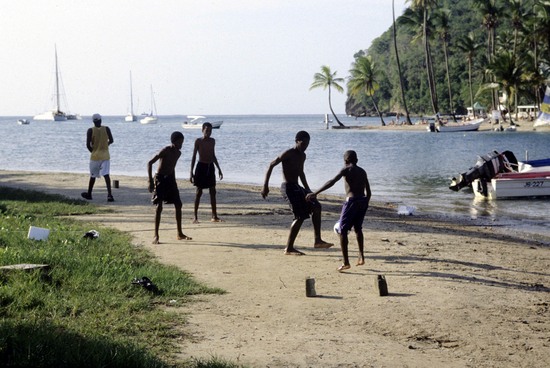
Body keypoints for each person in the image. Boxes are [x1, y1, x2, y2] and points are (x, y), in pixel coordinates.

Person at [261, 130, 333, 255]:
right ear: (297, 141)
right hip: (288, 188)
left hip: (297, 187)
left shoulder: (303, 156)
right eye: (303, 143)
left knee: (316, 206)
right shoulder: (288, 153)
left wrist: (309, 191)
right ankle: (289, 248)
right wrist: (265, 186)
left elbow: (301, 173)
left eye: (308, 144)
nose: (305, 146)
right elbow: (271, 165)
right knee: (299, 216)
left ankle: (318, 240)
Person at [306, 150, 371, 272]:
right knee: (358, 229)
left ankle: (346, 262)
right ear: (357, 160)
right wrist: (365, 202)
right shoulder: (363, 171)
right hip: (362, 201)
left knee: (343, 230)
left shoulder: (346, 169)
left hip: (351, 201)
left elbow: (332, 181)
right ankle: (361, 255)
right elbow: (369, 191)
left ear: (345, 161)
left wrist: (316, 193)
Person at [147, 131, 192, 244]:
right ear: (174, 141)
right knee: (159, 206)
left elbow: (172, 167)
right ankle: (155, 235)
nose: (181, 144)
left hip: (170, 179)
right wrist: (150, 181)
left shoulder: (178, 153)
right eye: (179, 142)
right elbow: (150, 163)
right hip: (160, 178)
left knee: (178, 204)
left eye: (182, 142)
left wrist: (174, 182)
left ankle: (179, 233)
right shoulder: (165, 150)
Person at [189, 122, 223, 223]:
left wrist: (219, 169)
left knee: (213, 191)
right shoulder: (198, 141)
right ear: (202, 130)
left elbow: (213, 155)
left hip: (210, 167)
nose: (208, 133)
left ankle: (214, 216)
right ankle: (195, 216)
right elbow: (194, 156)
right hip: (201, 167)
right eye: (207, 130)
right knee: (199, 192)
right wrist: (191, 172)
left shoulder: (212, 141)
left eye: (210, 131)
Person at [81, 113, 115, 202]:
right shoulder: (107, 129)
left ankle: (89, 194)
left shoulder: (90, 130)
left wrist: (93, 151)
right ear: (100, 120)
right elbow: (111, 140)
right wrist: (106, 145)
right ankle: (109, 195)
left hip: (95, 156)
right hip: (105, 155)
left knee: (93, 176)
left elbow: (88, 145)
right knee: (106, 175)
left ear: (93, 121)